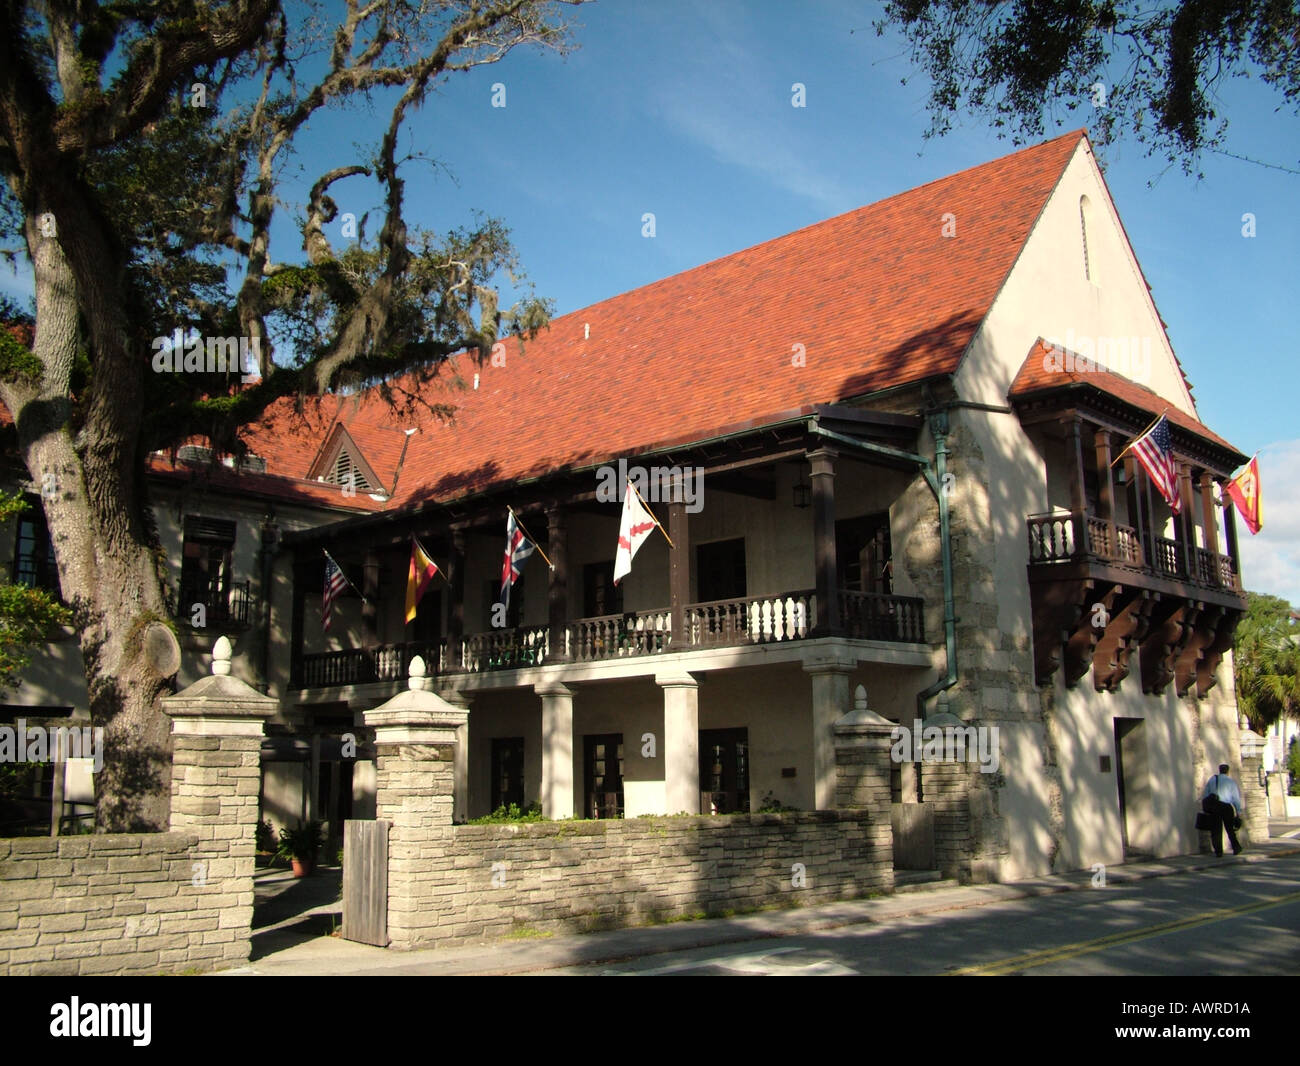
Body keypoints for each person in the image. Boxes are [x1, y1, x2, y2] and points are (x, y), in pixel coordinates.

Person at [1201, 764, 1244, 857]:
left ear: (1219, 770)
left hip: (1214, 807)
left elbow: (1205, 795)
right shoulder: (1230, 782)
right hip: (1226, 807)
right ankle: (1236, 847)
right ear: (1228, 771)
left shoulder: (1212, 780)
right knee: (1230, 829)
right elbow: (1235, 798)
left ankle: (1218, 851)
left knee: (1216, 830)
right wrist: (1238, 811)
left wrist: (1206, 807)